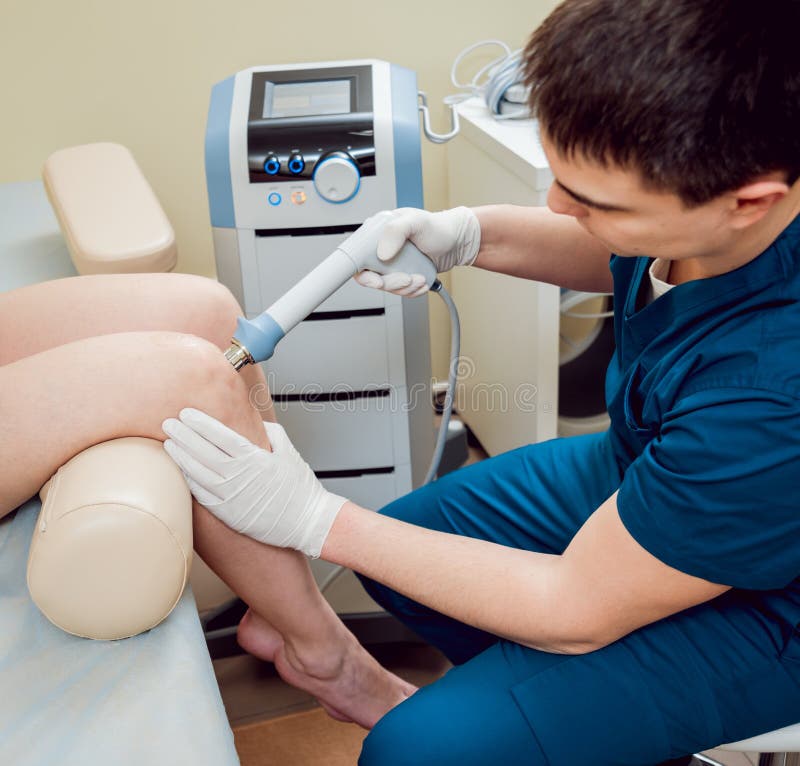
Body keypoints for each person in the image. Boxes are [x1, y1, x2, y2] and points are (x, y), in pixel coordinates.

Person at [163, 0, 800, 763]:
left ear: (751, 201)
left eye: (596, 202)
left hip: (768, 605)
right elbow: (624, 252)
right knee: (411, 554)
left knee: (416, 749)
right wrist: (468, 233)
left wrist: (313, 517)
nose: (560, 207)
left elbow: (575, 606)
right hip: (649, 469)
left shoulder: (770, 390)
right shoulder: (720, 203)